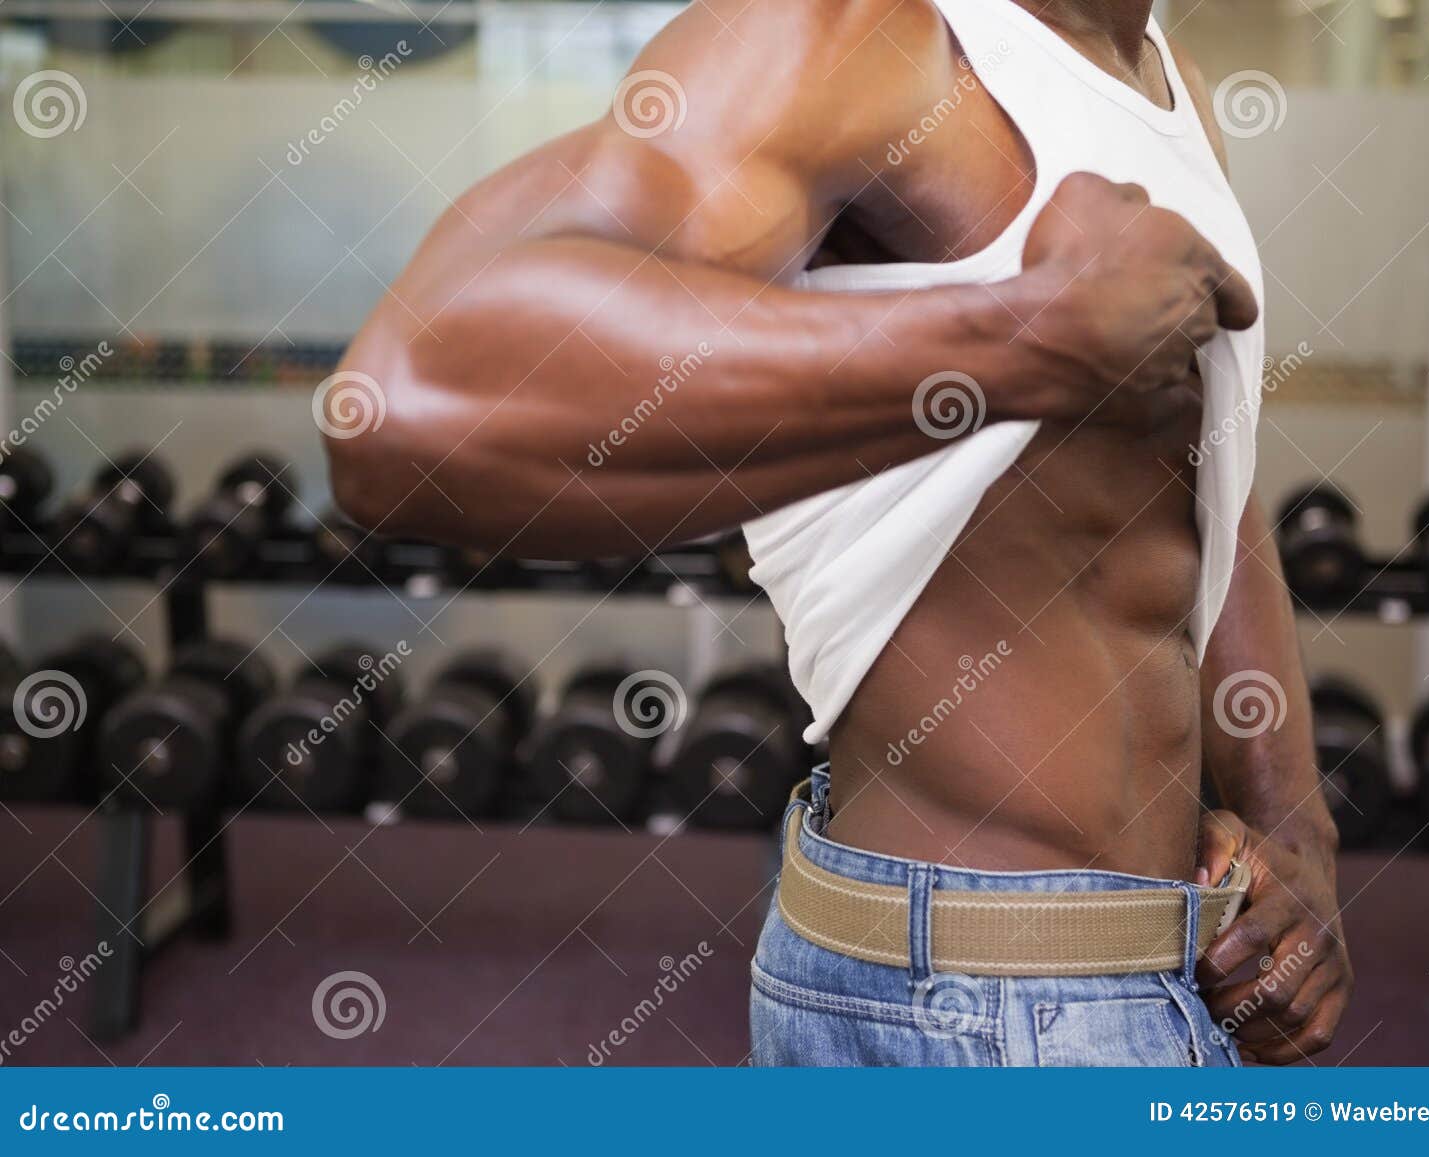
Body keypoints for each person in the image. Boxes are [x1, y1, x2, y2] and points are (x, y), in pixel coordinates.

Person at [325, 0, 1352, 1066]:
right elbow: (411, 398)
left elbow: (1209, 471)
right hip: (983, 998)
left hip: (1161, 960)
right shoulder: (855, 37)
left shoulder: (1165, 80)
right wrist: (1023, 339)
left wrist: (1295, 828)